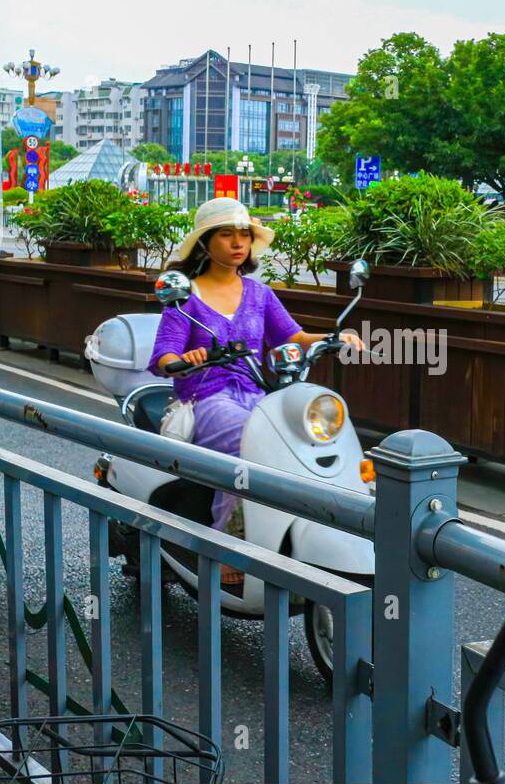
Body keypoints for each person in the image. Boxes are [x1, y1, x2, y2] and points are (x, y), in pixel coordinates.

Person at [147, 197, 363, 584]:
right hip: (207, 399)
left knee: (295, 444)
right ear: (205, 243)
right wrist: (189, 358)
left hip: (257, 396)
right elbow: (165, 354)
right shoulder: (186, 298)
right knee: (250, 449)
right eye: (226, 234)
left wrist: (335, 337)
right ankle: (225, 544)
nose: (237, 243)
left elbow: (293, 336)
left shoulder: (259, 293)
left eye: (243, 235)